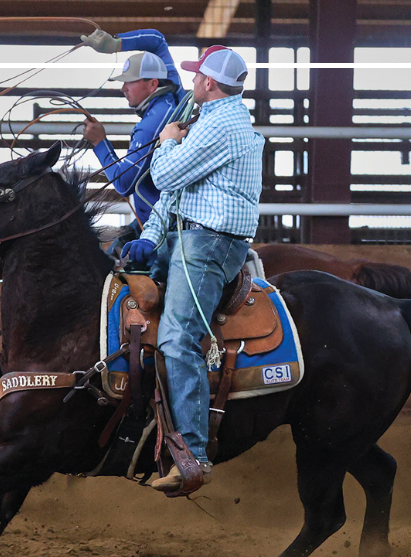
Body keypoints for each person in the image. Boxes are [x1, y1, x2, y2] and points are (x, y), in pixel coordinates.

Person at [119, 46, 265, 493]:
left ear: (209, 83)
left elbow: (162, 177)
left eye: (197, 76)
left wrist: (166, 142)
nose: (193, 81)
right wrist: (150, 236)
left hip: (208, 245)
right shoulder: (209, 121)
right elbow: (174, 196)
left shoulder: (223, 124)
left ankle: (194, 456)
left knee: (178, 336)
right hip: (187, 237)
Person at [79, 29, 187, 232]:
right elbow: (157, 41)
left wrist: (100, 143)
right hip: (168, 218)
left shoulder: (151, 125)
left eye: (130, 81)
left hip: (161, 227)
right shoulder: (173, 92)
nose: (123, 88)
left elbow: (123, 183)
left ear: (152, 84)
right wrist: (116, 44)